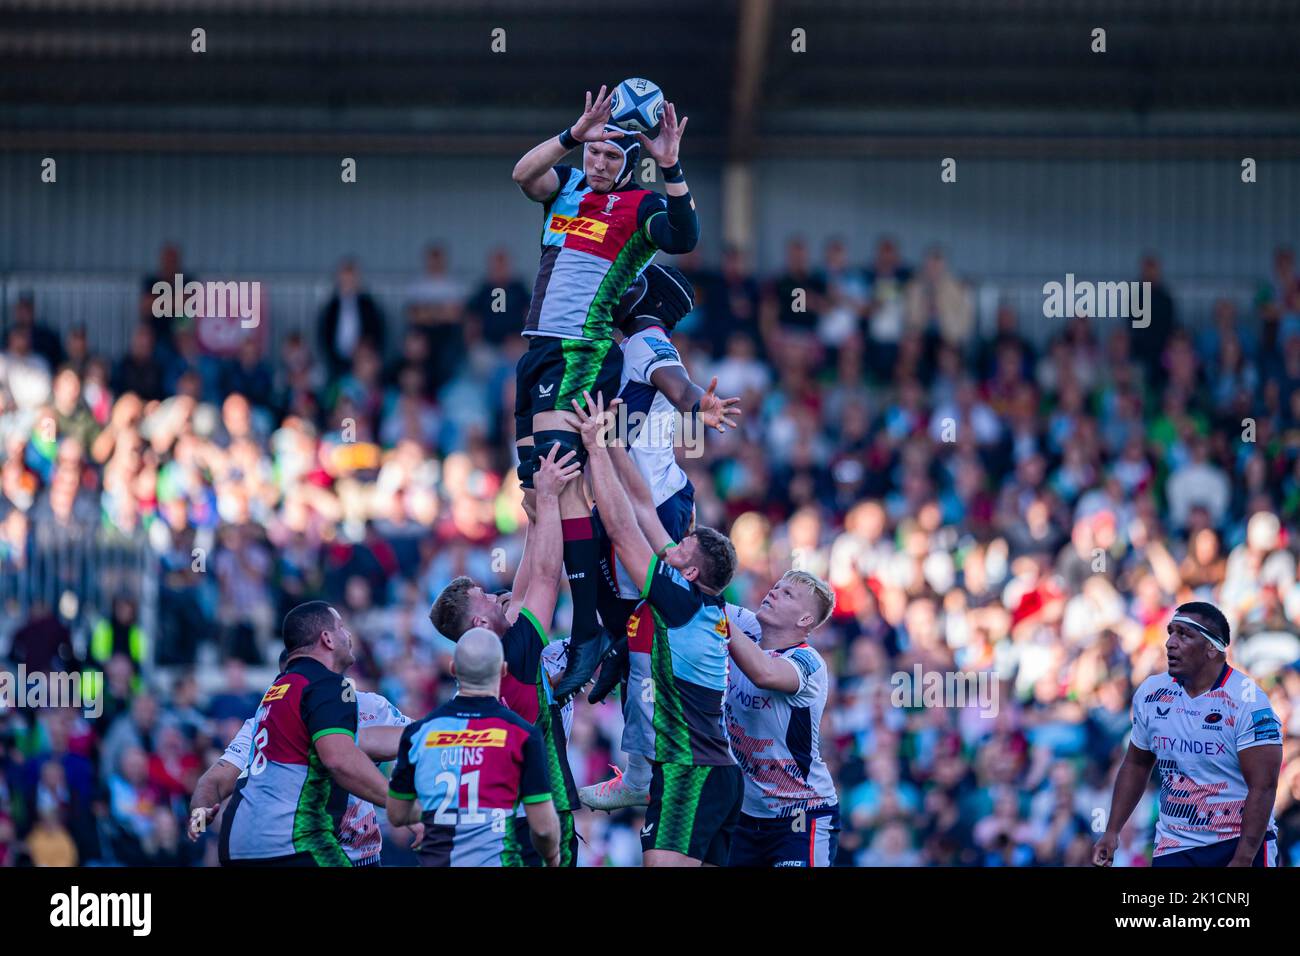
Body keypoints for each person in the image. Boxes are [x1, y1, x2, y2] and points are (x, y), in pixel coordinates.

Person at [510, 84, 700, 699]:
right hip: (537, 349)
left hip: (576, 352)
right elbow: (521, 173)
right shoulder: (565, 185)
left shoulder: (641, 205)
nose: (599, 163)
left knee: (559, 479)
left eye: (613, 156)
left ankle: (588, 627)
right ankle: (591, 626)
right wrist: (572, 131)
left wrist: (670, 164)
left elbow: (684, 235)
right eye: (594, 152)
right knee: (536, 493)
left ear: (629, 161)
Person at [572, 391, 742, 866]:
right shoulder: (695, 593)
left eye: (682, 546)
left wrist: (594, 446)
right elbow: (645, 504)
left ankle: (635, 782)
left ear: (689, 571)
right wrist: (609, 443)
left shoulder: (676, 599)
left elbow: (625, 528)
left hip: (689, 773)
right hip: (714, 772)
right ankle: (634, 781)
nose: (672, 544)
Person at [427, 446, 584, 865]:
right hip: (542, 808)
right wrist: (549, 497)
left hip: (493, 821)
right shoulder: (518, 656)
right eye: (485, 598)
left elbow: (520, 591)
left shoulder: (492, 656)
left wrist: (533, 516)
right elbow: (548, 578)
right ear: (479, 626)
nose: (497, 596)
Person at [1093, 601, 1283, 867]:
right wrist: (1112, 831)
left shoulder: (1249, 702)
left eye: (1184, 634)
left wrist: (1243, 858)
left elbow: (1263, 788)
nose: (1170, 642)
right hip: (1175, 844)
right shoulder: (1151, 693)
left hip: (1237, 843)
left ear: (1212, 649)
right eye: (1171, 632)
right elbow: (1136, 764)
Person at [188, 652, 416, 867]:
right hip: (302, 849)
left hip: (361, 851)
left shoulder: (370, 707)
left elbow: (418, 743)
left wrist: (415, 806)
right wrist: (199, 818)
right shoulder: (264, 720)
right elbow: (212, 781)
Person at [217, 602, 390, 866]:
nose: (348, 635)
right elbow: (340, 758)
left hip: (239, 841)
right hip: (290, 842)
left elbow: (366, 741)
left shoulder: (275, 694)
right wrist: (404, 805)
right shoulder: (328, 685)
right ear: (327, 638)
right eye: (342, 627)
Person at [385, 628, 561, 866]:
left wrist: (446, 812)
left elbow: (396, 814)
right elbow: (543, 829)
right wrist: (552, 856)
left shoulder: (418, 733)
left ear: (454, 669)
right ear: (502, 670)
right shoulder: (523, 735)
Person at [724, 570, 841, 867]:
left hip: (802, 813)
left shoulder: (809, 661)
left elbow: (764, 674)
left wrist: (716, 615)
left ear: (805, 621)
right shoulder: (745, 626)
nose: (774, 592)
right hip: (746, 815)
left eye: (788, 594)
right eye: (776, 587)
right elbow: (697, 599)